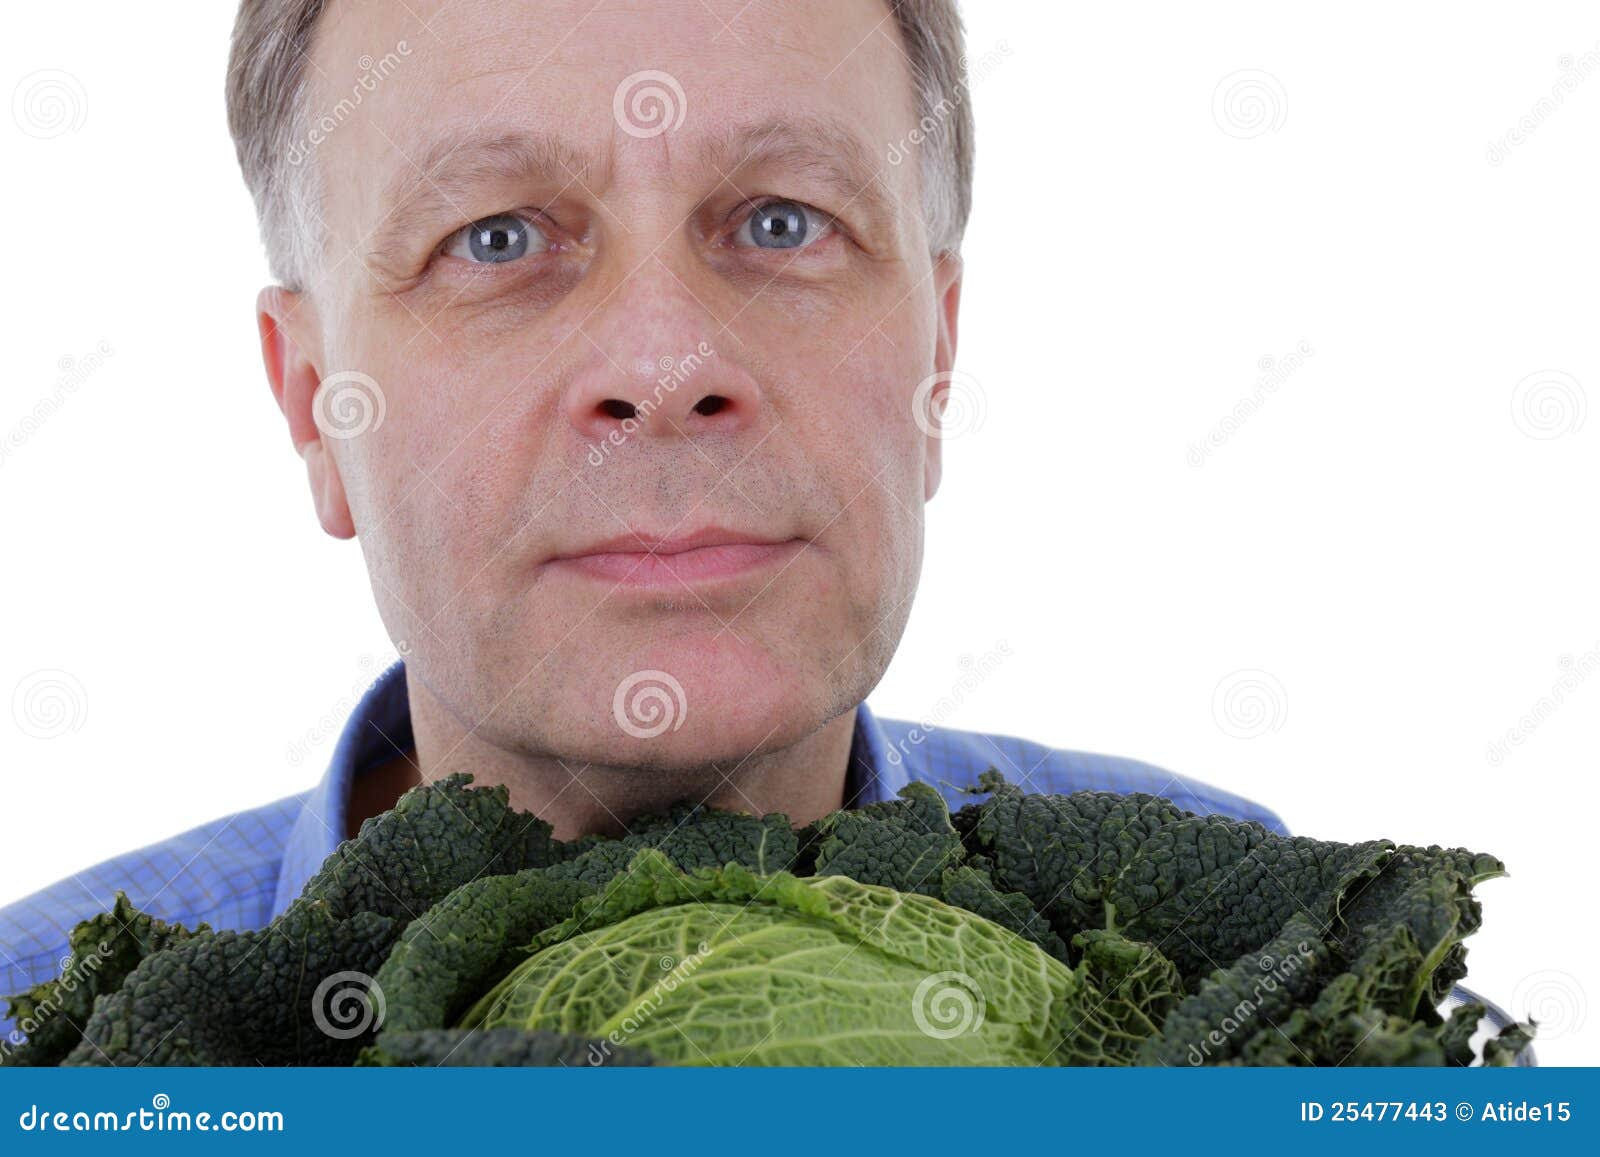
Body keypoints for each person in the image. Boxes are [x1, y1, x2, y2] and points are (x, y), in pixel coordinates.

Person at [0, 0, 1283, 1045]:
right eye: (494, 238)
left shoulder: (1263, 948)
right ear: (315, 408)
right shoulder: (36, 1030)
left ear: (937, 361)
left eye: (785, 222)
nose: (665, 364)